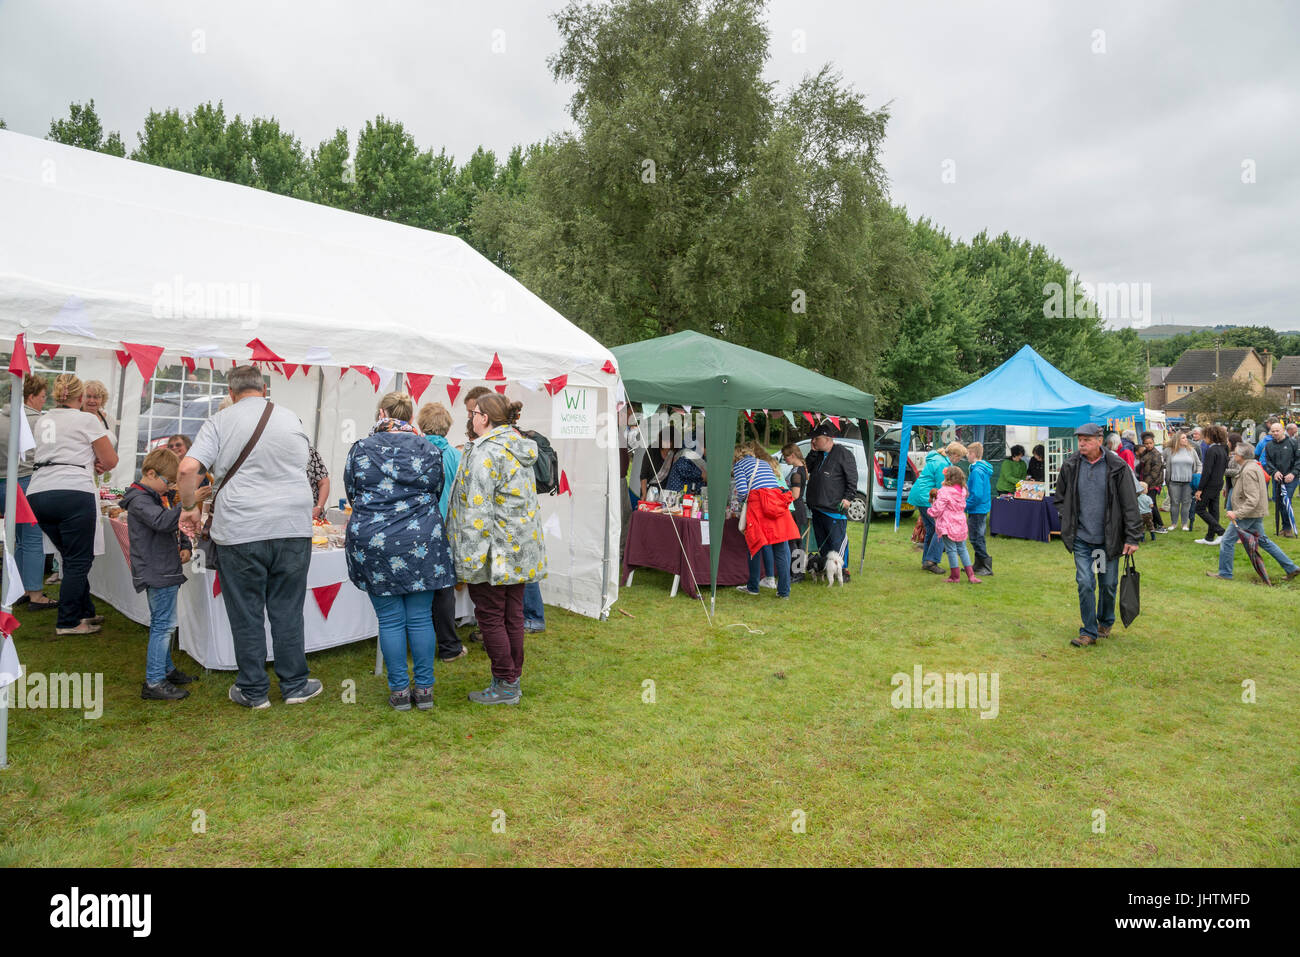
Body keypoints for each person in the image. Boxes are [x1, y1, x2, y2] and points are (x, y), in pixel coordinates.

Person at [178, 365, 323, 709]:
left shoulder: (220, 421)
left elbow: (186, 469)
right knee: (288, 608)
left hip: (242, 527)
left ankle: (254, 690)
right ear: (264, 388)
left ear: (231, 392)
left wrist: (188, 506)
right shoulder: (290, 418)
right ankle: (294, 684)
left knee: (246, 611)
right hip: (292, 524)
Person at [345, 391, 455, 712]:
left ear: (382, 413)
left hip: (375, 541)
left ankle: (398, 692)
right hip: (422, 539)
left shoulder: (361, 449)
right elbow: (435, 492)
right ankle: (424, 690)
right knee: (420, 618)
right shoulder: (430, 449)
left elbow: (353, 492)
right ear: (410, 416)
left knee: (391, 620)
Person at [447, 393, 547, 706]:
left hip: (492, 552)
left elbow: (477, 511)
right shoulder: (518, 447)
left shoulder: (485, 452)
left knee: (491, 616)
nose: (471, 417)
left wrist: (469, 560)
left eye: (474, 412)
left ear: (485, 418)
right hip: (517, 549)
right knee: (511, 616)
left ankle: (506, 682)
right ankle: (509, 677)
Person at [26, 373, 119, 636]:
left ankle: (83, 611)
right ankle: (68, 621)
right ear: (80, 397)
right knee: (79, 559)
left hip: (38, 491)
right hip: (72, 490)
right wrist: (97, 462)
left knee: (70, 556)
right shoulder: (86, 419)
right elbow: (110, 460)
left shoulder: (43, 419)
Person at [1054, 423, 1142, 648]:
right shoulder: (1071, 465)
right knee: (1084, 582)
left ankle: (1105, 621)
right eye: (1080, 440)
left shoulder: (1117, 466)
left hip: (1107, 540)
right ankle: (1088, 631)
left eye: (1087, 440)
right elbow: (1060, 498)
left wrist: (1132, 537)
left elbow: (1130, 504)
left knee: (1108, 584)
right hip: (1082, 538)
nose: (1082, 443)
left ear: (1100, 440)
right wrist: (1068, 518)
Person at [122, 448, 199, 701]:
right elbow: (163, 522)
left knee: (163, 622)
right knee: (163, 626)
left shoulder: (150, 497)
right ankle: (154, 681)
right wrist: (189, 502)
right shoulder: (141, 500)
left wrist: (184, 545)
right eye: (168, 482)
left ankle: (166, 669)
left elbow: (167, 525)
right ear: (150, 473)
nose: (170, 488)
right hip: (157, 569)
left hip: (162, 566)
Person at [0, 374, 57, 610]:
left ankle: (20, 587)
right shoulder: (41, 421)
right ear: (31, 396)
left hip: (2, 481)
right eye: (43, 397)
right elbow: (50, 453)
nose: (44, 401)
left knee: (18, 540)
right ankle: (34, 593)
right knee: (33, 539)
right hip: (25, 481)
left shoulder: (2, 417)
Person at [1206, 443, 1300, 583]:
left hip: (1248, 514)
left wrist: (1237, 513)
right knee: (1264, 541)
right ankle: (1291, 568)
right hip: (1254, 513)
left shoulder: (1249, 470)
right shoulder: (1251, 466)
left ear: (1242, 456)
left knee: (1226, 541)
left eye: (1236, 453)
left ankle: (1225, 573)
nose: (1233, 455)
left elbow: (1252, 499)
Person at [417, 401, 467, 662]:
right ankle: (449, 647)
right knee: (443, 590)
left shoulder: (415, 451)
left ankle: (418, 643)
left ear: (421, 425)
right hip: (447, 528)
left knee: (418, 591)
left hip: (418, 528)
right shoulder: (458, 457)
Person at [732, 444, 797, 598]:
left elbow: (742, 491)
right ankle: (784, 592)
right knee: (781, 548)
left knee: (754, 546)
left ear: (736, 455)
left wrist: (741, 503)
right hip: (777, 504)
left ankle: (753, 587)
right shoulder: (763, 463)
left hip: (759, 508)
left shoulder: (739, 465)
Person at [806, 421, 860, 582]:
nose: (813, 441)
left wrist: (848, 498)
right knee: (823, 542)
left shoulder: (843, 454)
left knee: (837, 541)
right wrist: (813, 452)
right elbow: (806, 468)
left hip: (834, 506)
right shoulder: (817, 454)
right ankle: (826, 568)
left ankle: (843, 570)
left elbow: (852, 478)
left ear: (827, 438)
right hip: (817, 506)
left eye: (816, 438)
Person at [907, 440, 965, 574]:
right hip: (926, 497)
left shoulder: (939, 459)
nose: (959, 460)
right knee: (941, 530)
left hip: (921, 496)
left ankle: (926, 561)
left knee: (932, 529)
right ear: (955, 455)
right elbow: (943, 486)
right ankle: (931, 561)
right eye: (959, 457)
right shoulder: (942, 464)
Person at [928, 466, 981, 583]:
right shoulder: (963, 490)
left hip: (947, 524)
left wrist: (931, 509)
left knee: (951, 550)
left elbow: (937, 509)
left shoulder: (944, 491)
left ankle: (955, 576)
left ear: (948, 477)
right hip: (960, 522)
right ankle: (971, 576)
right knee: (962, 549)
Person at [1261, 420, 1298, 537]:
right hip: (1278, 478)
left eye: (1277, 431)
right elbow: (1268, 461)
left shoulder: (1293, 443)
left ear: (1283, 430)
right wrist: (1274, 472)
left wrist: (1293, 473)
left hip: (1292, 478)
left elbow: (1298, 460)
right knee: (1279, 502)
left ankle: (1288, 529)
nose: (1275, 433)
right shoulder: (1269, 445)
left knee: (1286, 500)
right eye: (1273, 431)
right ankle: (1284, 527)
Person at [1193, 424, 1229, 545]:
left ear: (1211, 436)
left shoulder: (1212, 450)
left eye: (1205, 436)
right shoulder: (1223, 448)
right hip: (1218, 482)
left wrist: (1200, 489)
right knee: (1213, 510)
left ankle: (1221, 532)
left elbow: (1207, 471)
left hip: (1210, 484)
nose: (1204, 439)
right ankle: (1209, 537)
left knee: (1200, 508)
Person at [781, 443, 810, 582]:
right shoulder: (798, 469)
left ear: (792, 455)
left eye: (785, 456)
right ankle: (798, 572)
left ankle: (797, 573)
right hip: (797, 510)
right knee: (797, 541)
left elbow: (795, 494)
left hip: (795, 510)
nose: (784, 459)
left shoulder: (797, 472)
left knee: (794, 542)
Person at [965, 442, 993, 576]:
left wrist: (965, 505)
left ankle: (986, 566)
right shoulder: (981, 469)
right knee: (977, 536)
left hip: (977, 508)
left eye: (968, 453)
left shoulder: (976, 471)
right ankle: (978, 564)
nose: (967, 456)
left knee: (976, 537)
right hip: (981, 507)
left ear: (973, 454)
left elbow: (976, 494)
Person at [1164, 432, 1200, 532]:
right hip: (1173, 481)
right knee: (1174, 503)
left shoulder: (1191, 450)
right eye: (1183, 438)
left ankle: (1185, 524)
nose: (1186, 440)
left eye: (1186, 438)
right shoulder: (1169, 451)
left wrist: (1198, 473)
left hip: (1188, 482)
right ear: (1177, 440)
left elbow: (1199, 464)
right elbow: (1161, 461)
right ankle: (1173, 523)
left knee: (1186, 503)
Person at [1136, 431, 1166, 532]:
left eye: (1150, 443)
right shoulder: (1144, 453)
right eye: (1146, 443)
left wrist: (1145, 484)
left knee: (1151, 504)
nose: (1148, 445)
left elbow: (1155, 472)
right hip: (1144, 482)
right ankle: (1155, 524)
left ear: (1153, 442)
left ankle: (1161, 526)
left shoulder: (1156, 454)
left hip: (1153, 483)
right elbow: (1141, 467)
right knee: (1149, 504)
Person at [306, 443, 331, 521]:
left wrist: (319, 507)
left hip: (311, 515)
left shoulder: (309, 451)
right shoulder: (272, 452)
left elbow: (324, 482)